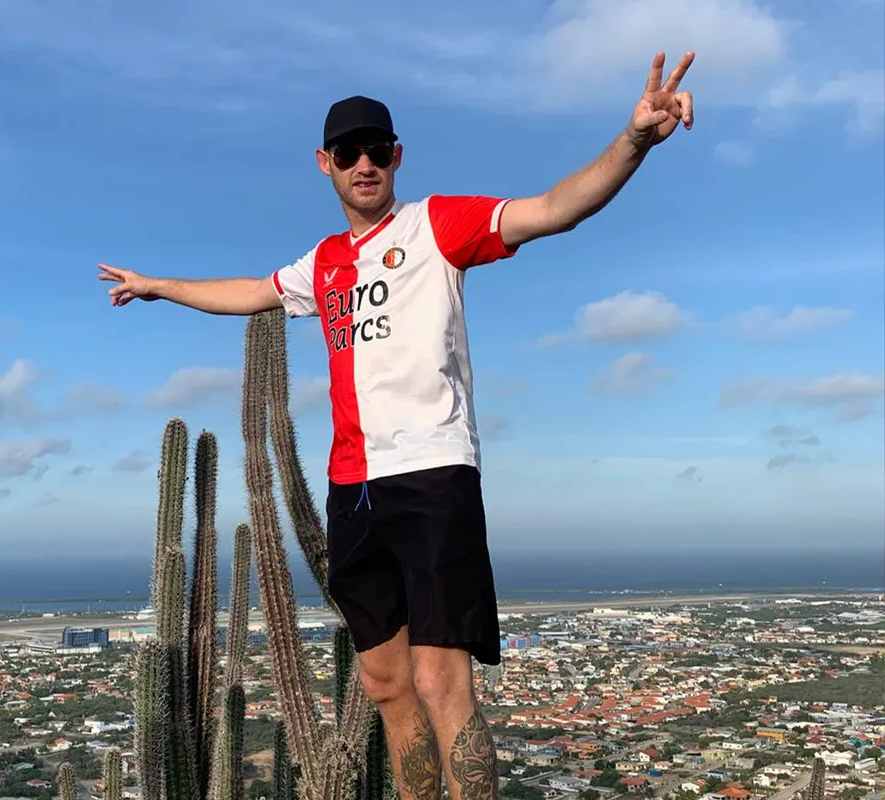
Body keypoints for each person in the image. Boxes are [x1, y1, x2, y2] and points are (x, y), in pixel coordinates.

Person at [99, 51, 695, 800]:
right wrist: (161, 286)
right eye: (348, 153)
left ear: (396, 157)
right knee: (385, 682)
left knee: (440, 678)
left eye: (376, 151)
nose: (364, 164)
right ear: (326, 165)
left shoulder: (437, 226)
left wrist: (634, 139)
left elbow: (553, 208)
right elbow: (251, 291)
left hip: (433, 474)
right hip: (353, 487)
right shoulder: (322, 264)